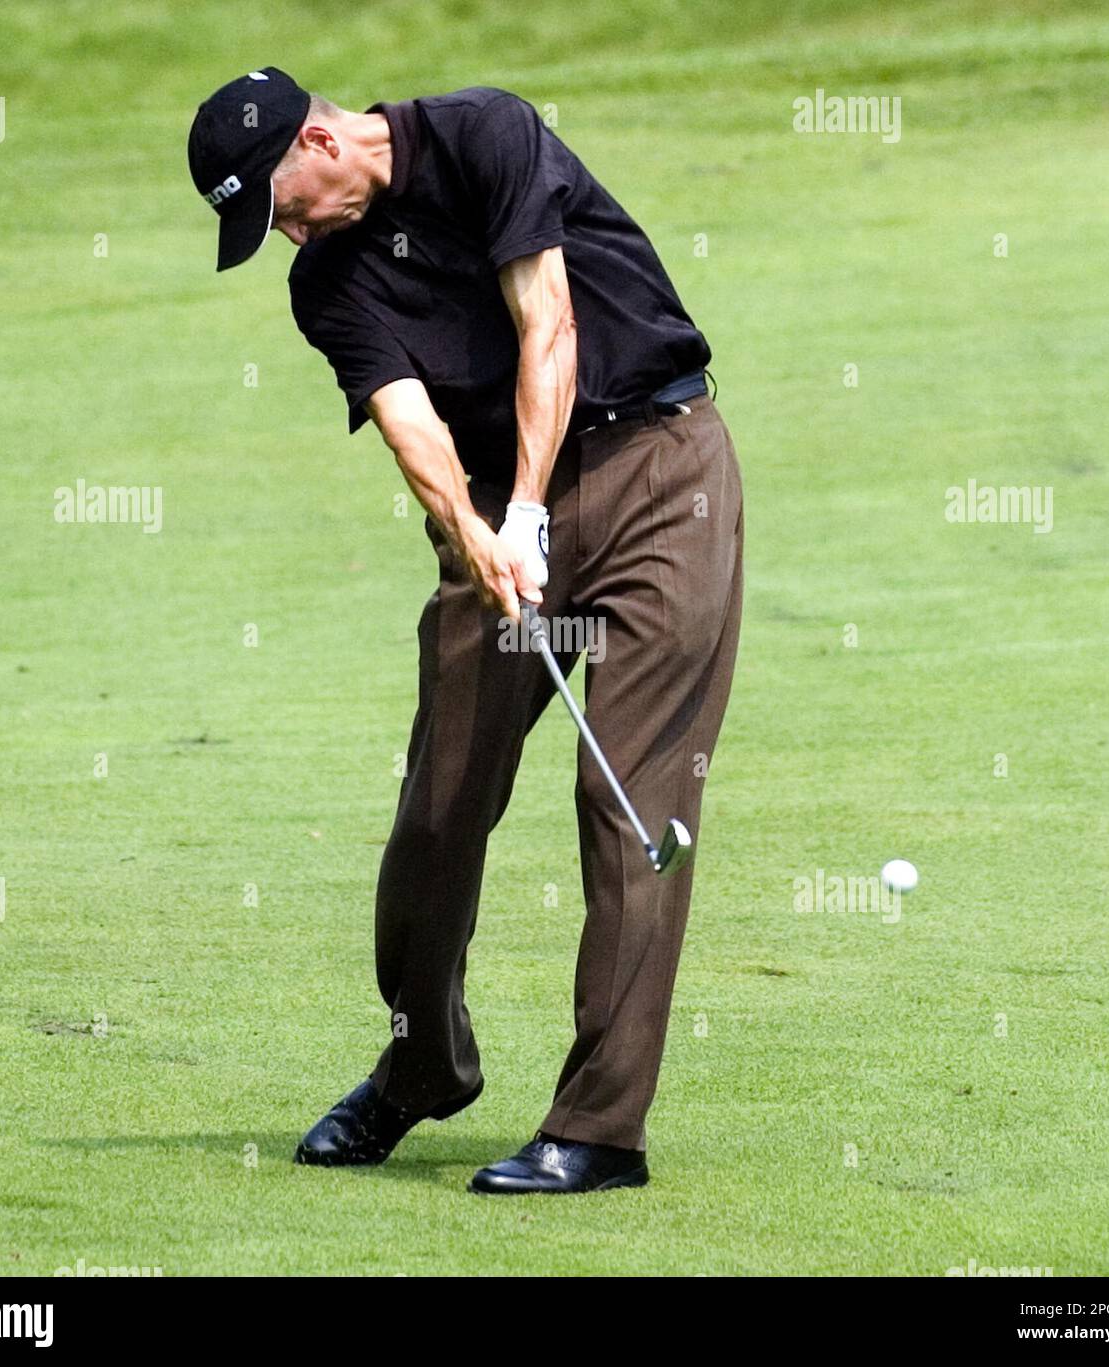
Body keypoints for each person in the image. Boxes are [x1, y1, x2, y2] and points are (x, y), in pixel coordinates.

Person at [188, 68, 743, 1194]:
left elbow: (550, 324)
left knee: (625, 796)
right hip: (491, 508)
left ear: (322, 139)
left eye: (284, 206)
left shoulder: (484, 135)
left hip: (659, 475)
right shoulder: (327, 284)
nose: (289, 237)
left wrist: (531, 512)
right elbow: (409, 421)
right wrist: (478, 532)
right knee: (440, 806)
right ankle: (422, 1064)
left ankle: (598, 1128)